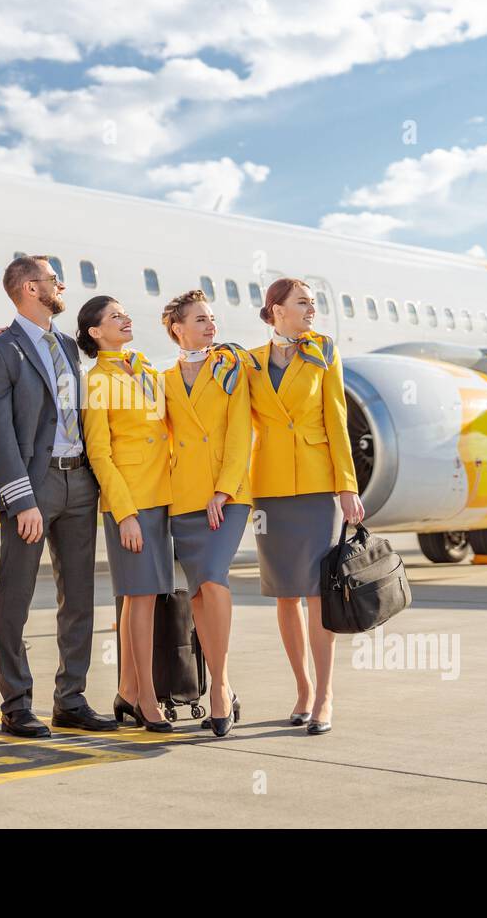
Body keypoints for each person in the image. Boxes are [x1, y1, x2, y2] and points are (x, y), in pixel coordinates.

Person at [0, 255, 117, 738]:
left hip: (80, 482)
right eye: (54, 280)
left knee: (78, 595)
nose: (61, 286)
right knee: (15, 593)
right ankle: (16, 704)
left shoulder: (66, 346)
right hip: (33, 486)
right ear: (31, 288)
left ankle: (70, 699)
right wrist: (21, 498)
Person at [249, 278, 365, 736]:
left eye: (313, 303)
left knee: (319, 592)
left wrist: (347, 486)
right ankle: (300, 688)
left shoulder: (323, 352)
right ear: (277, 309)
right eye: (302, 303)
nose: (311, 310)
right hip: (270, 486)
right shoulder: (250, 362)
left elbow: (337, 419)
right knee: (285, 593)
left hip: (318, 487)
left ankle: (324, 694)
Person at [160, 290, 254, 736]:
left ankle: (219, 685)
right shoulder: (164, 379)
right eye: (200, 319)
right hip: (183, 498)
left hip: (227, 497)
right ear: (178, 327)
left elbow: (240, 436)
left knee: (214, 580)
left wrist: (223, 490)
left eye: (212, 318)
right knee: (197, 593)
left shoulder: (230, 370)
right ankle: (222, 683)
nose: (210, 325)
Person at [79, 296, 174, 733]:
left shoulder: (147, 369)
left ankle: (129, 691)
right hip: (132, 502)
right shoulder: (96, 381)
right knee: (138, 596)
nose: (125, 319)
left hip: (165, 495)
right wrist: (125, 513)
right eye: (115, 316)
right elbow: (100, 454)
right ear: (96, 333)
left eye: (124, 313)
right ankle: (147, 700)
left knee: (149, 597)